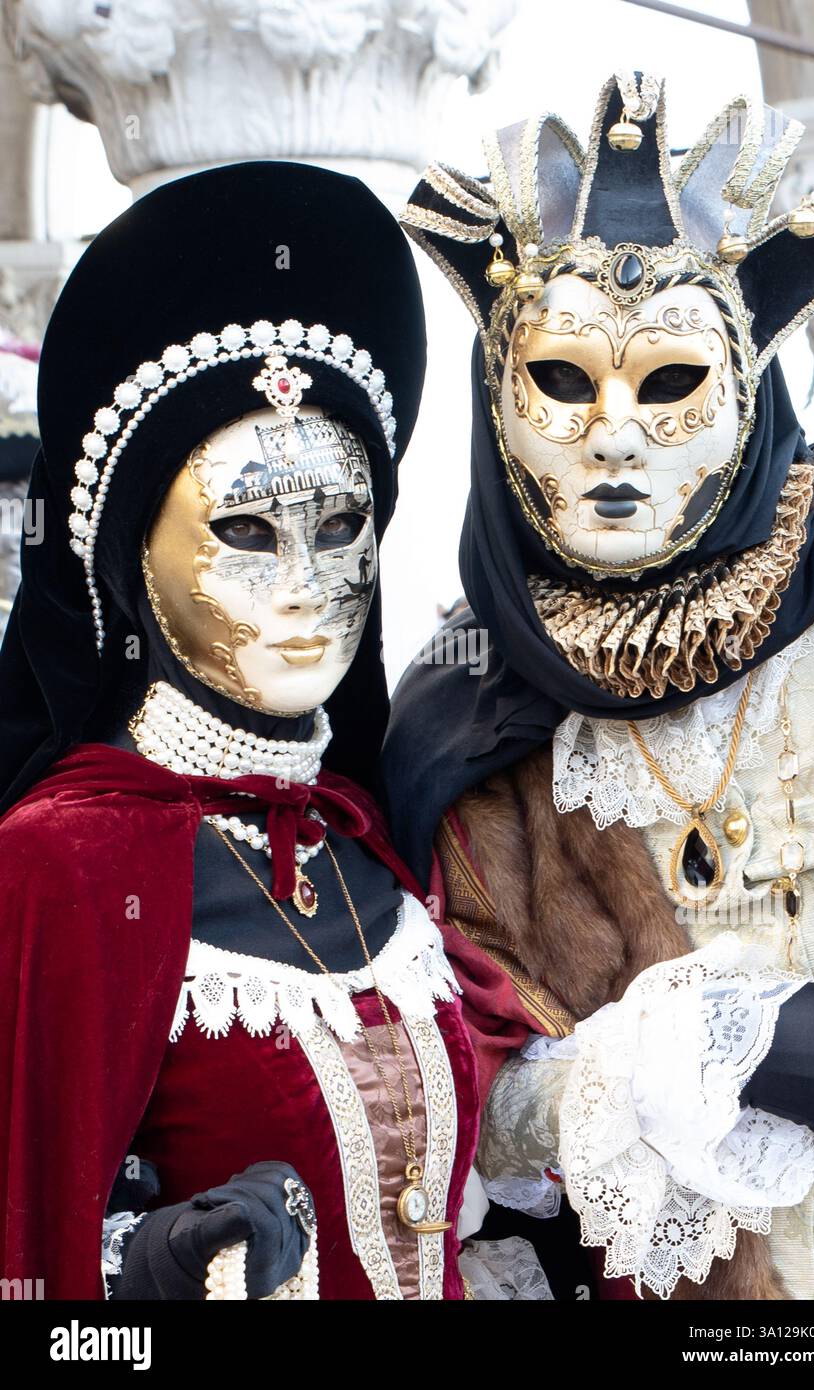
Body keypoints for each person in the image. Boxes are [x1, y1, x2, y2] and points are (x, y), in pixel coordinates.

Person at [384, 73, 814, 1300]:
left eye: (667, 383)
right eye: (559, 380)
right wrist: (701, 1051)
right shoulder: (468, 721)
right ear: (501, 404)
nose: (609, 435)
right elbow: (461, 1098)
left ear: (748, 386)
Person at [0, 160, 479, 1301]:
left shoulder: (364, 843)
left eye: (345, 522)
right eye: (249, 529)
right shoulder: (62, 865)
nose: (311, 585)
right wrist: (150, 1271)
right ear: (130, 557)